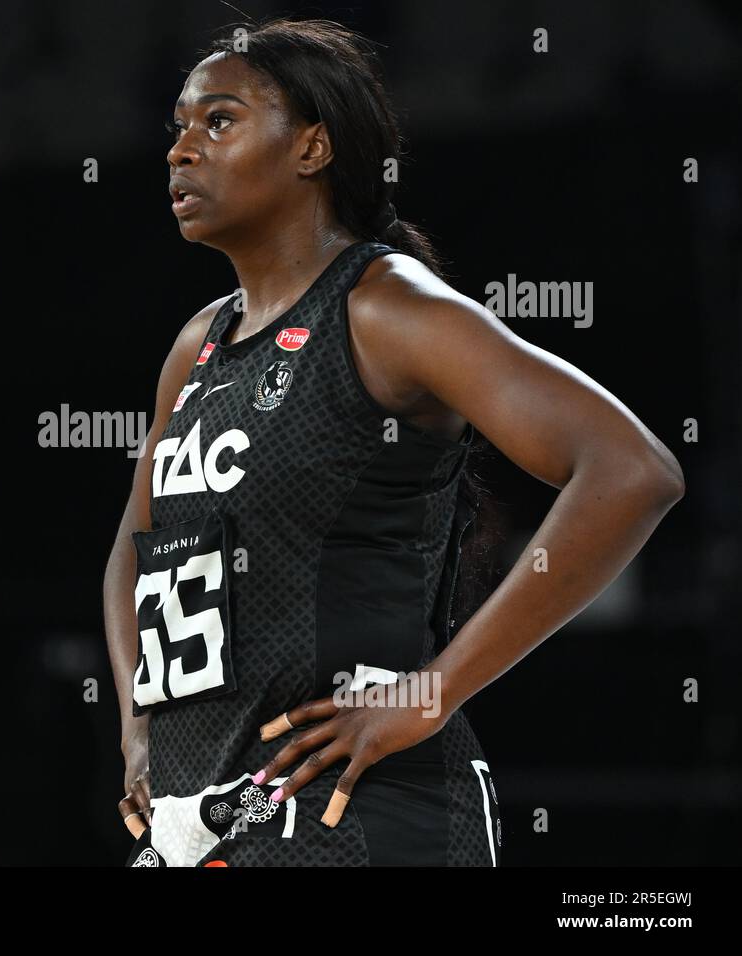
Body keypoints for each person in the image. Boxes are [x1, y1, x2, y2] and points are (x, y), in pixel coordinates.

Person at [103, 18, 684, 866]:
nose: (181, 150)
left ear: (312, 148)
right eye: (180, 126)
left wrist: (431, 694)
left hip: (363, 811)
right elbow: (136, 546)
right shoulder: (198, 345)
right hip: (207, 816)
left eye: (219, 121)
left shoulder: (385, 307)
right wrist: (138, 727)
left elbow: (631, 470)